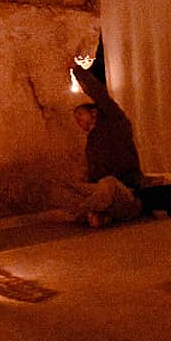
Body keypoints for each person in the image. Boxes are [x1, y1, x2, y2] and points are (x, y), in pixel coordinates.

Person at [50, 64, 144, 228]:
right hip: (103, 191)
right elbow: (93, 176)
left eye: (80, 114)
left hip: (126, 190)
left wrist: (77, 70)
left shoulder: (115, 121)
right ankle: (100, 214)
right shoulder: (91, 142)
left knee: (109, 184)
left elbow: (100, 95)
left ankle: (82, 214)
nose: (78, 121)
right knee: (62, 187)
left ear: (93, 112)